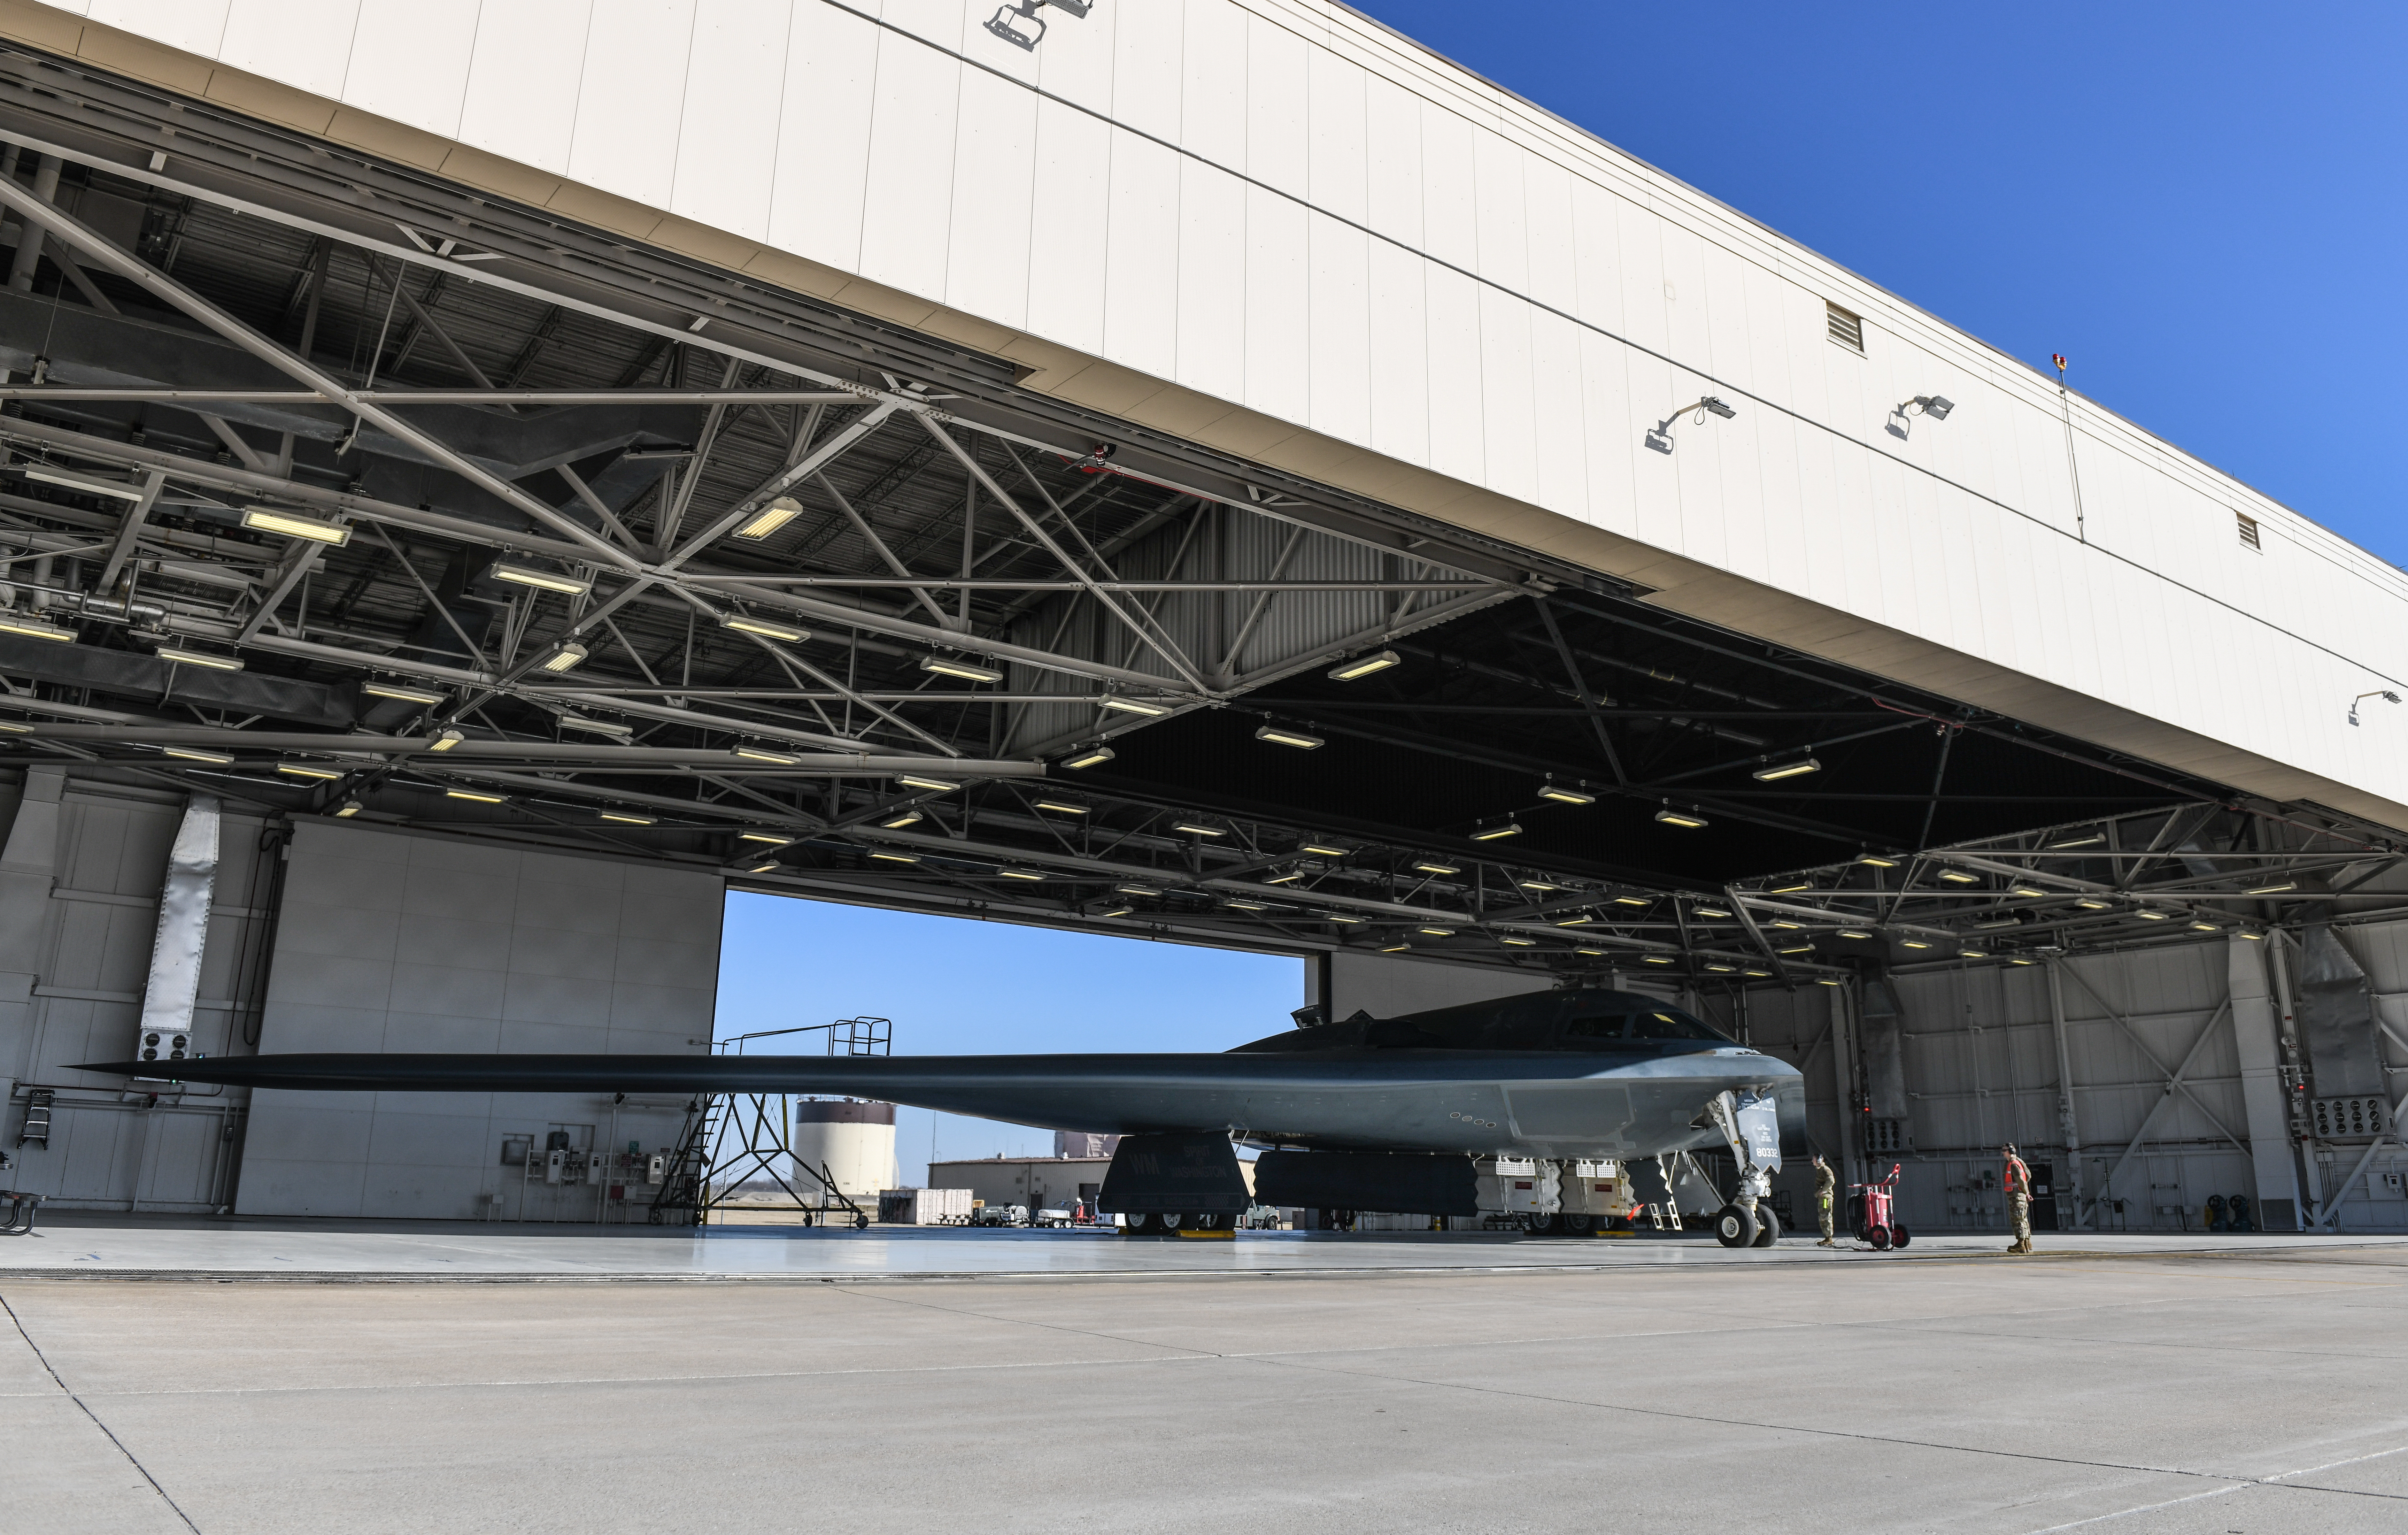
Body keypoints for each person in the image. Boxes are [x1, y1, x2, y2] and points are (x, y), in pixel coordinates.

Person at [2003, 1143, 2033, 1254]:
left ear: (2011, 1152)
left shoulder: (2013, 1165)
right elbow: (2028, 1175)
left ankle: (2021, 1245)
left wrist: (2026, 1192)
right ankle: (2027, 1242)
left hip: (2016, 1197)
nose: (2003, 1153)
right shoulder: (2018, 1162)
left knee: (2017, 1220)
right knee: (2023, 1220)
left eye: (2005, 1150)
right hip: (2020, 1196)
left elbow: (2020, 1179)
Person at [1812, 1152, 1837, 1247]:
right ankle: (1827, 1238)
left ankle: (1829, 1238)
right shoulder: (1820, 1170)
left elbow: (1831, 1181)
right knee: (1823, 1217)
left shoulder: (1825, 1170)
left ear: (1819, 1160)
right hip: (1823, 1198)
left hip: (1826, 1198)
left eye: (1814, 1159)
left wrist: (1823, 1191)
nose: (1813, 1161)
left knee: (1826, 1216)